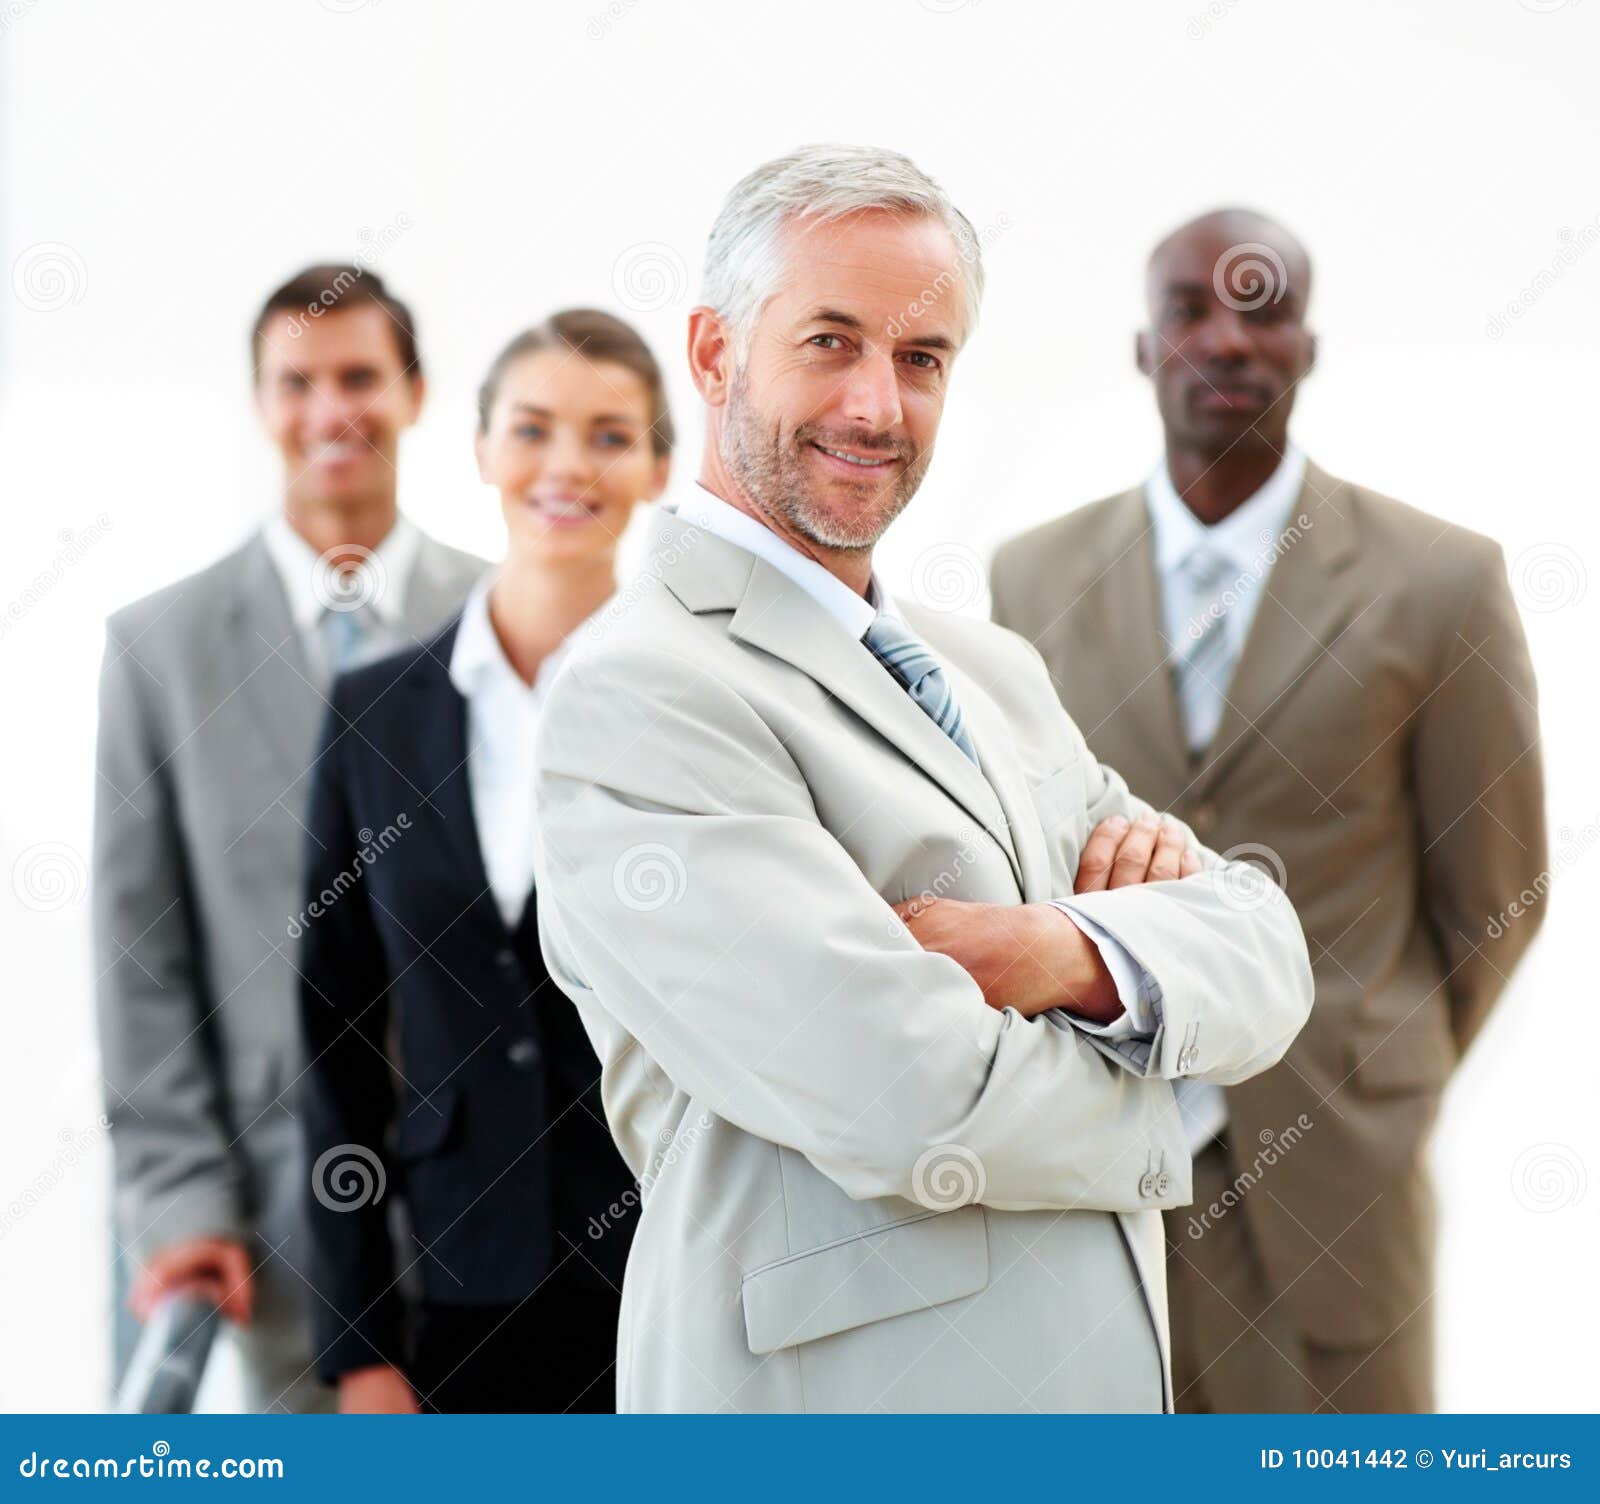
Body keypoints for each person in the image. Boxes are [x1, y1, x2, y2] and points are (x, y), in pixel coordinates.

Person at [529, 145, 1315, 1414]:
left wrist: (1061, 951)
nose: (876, 406)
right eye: (829, 342)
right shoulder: (640, 693)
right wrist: (1172, 1088)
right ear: (716, 352)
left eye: (920, 357)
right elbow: (905, 1095)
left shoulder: (990, 668)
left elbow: (1267, 954)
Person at [989, 208, 1547, 1413]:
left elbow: (1497, 889)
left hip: (1340, 1166)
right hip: (1095, 1157)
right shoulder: (1028, 578)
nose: (1227, 338)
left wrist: (1378, 1065)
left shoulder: (1440, 579)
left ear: (1307, 344)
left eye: (1264, 309)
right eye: (1189, 309)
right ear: (1145, 349)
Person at [93, 265, 484, 1412]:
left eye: (359, 376)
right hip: (279, 1233)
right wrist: (179, 1204)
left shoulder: (505, 621)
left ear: (413, 392)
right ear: (262, 403)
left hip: (509, 1219)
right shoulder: (159, 649)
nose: (330, 412)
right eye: (297, 383)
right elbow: (139, 957)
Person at [297, 309, 672, 1414]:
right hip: (458, 1285)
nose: (566, 466)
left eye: (609, 436)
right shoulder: (375, 713)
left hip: (672, 1265)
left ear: (657, 465)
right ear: (480, 450)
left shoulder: (702, 704)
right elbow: (337, 1035)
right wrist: (356, 1342)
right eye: (533, 429)